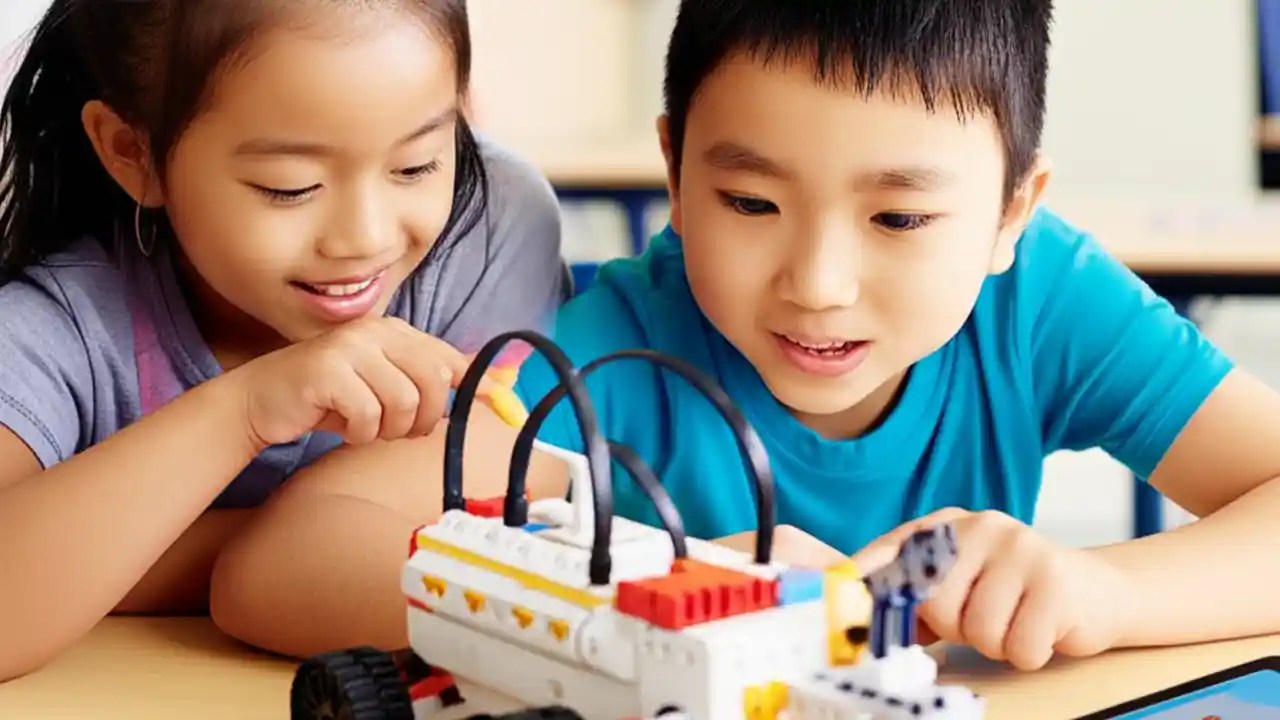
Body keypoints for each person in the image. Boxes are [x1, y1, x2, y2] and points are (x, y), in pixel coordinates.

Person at [220, 0, 1280, 672]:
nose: (816, 287)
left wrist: (1107, 588)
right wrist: (654, 588)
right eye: (749, 203)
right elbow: (281, 565)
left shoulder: (1042, 301)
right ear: (675, 174)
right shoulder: (613, 352)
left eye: (899, 218)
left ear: (1011, 211)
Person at [0, 0, 564, 681]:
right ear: (133, 151)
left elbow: (529, 469)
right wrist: (247, 411)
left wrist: (118, 560)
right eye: (289, 187)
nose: (365, 237)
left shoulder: (487, 230)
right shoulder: (58, 326)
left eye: (416, 166)